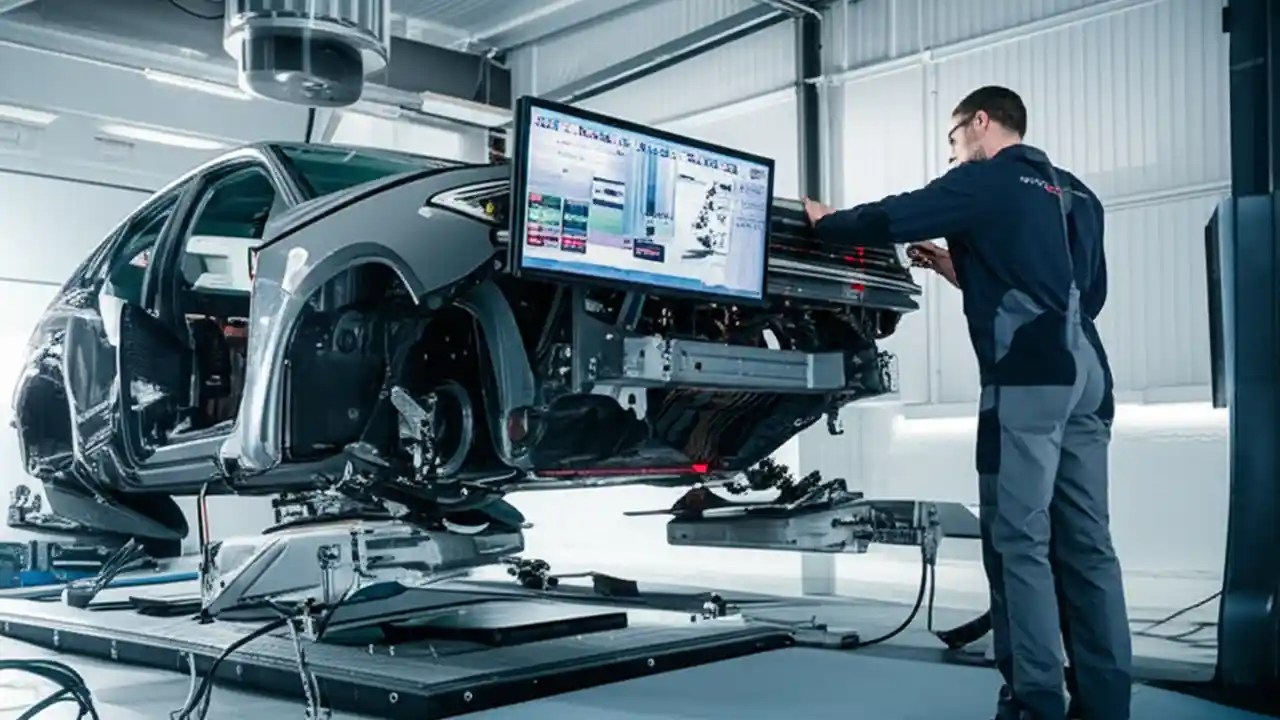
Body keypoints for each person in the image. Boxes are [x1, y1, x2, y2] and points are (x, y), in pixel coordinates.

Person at [803, 86, 1132, 720]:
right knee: (1089, 544)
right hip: (1088, 373)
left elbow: (895, 215)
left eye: (954, 140)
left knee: (1018, 541)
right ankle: (1107, 704)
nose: (954, 154)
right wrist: (964, 269)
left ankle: (1036, 703)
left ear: (980, 123)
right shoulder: (1077, 193)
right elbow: (1076, 293)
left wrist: (828, 223)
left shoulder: (985, 180)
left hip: (1028, 376)